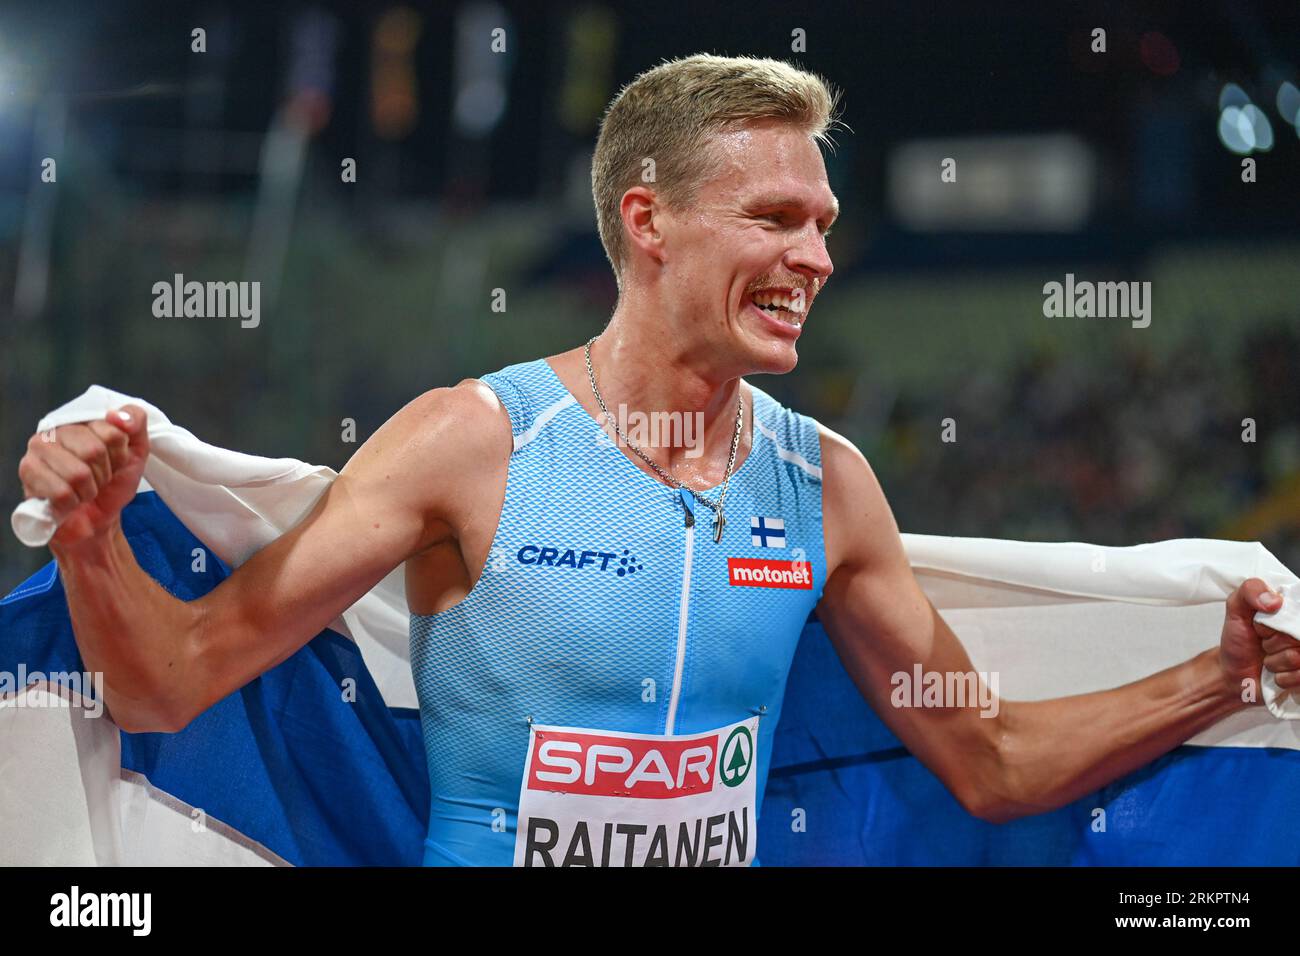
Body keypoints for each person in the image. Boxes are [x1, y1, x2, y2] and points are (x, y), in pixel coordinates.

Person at [16, 54, 1298, 867]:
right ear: (649, 221)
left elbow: (990, 758)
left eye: (825, 226)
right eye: (776, 219)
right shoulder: (475, 441)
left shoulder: (825, 483)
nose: (816, 259)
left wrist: (1215, 676)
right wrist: (88, 537)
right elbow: (167, 685)